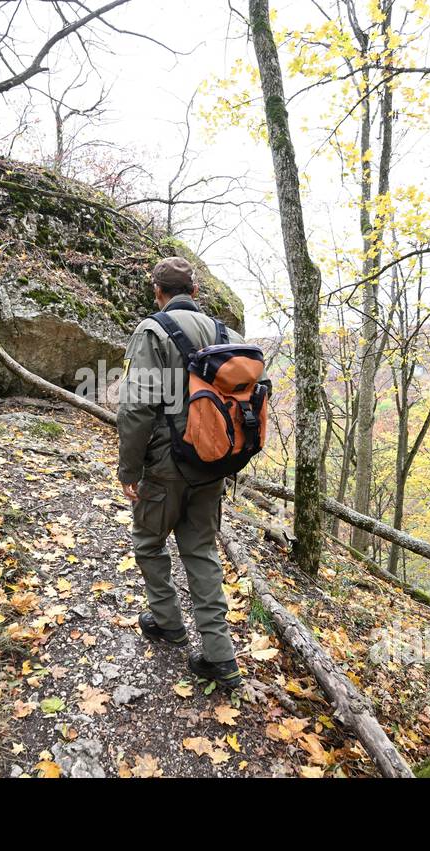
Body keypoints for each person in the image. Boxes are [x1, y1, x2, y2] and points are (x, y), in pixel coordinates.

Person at [116, 256, 241, 688]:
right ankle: (220, 656)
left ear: (157, 291)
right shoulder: (229, 335)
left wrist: (128, 468)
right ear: (196, 293)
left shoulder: (152, 331)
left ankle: (168, 622)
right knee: (201, 550)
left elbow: (136, 406)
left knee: (150, 541)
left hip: (166, 466)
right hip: (212, 465)